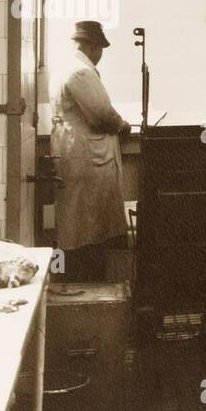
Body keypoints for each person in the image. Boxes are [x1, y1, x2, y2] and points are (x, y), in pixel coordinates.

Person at [51, 20, 131, 281]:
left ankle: (74, 274)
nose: (100, 55)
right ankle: (85, 277)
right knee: (87, 222)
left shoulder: (65, 67)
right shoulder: (81, 72)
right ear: (91, 46)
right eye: (100, 48)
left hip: (74, 149)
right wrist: (123, 124)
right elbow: (101, 114)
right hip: (85, 155)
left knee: (78, 219)